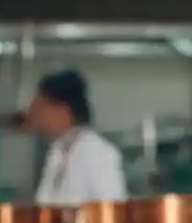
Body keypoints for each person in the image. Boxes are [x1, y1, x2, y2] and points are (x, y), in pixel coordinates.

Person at [31, 70, 126, 205]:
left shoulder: (98, 153)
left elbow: (112, 212)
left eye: (43, 110)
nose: (39, 118)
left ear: (63, 111)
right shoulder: (56, 152)